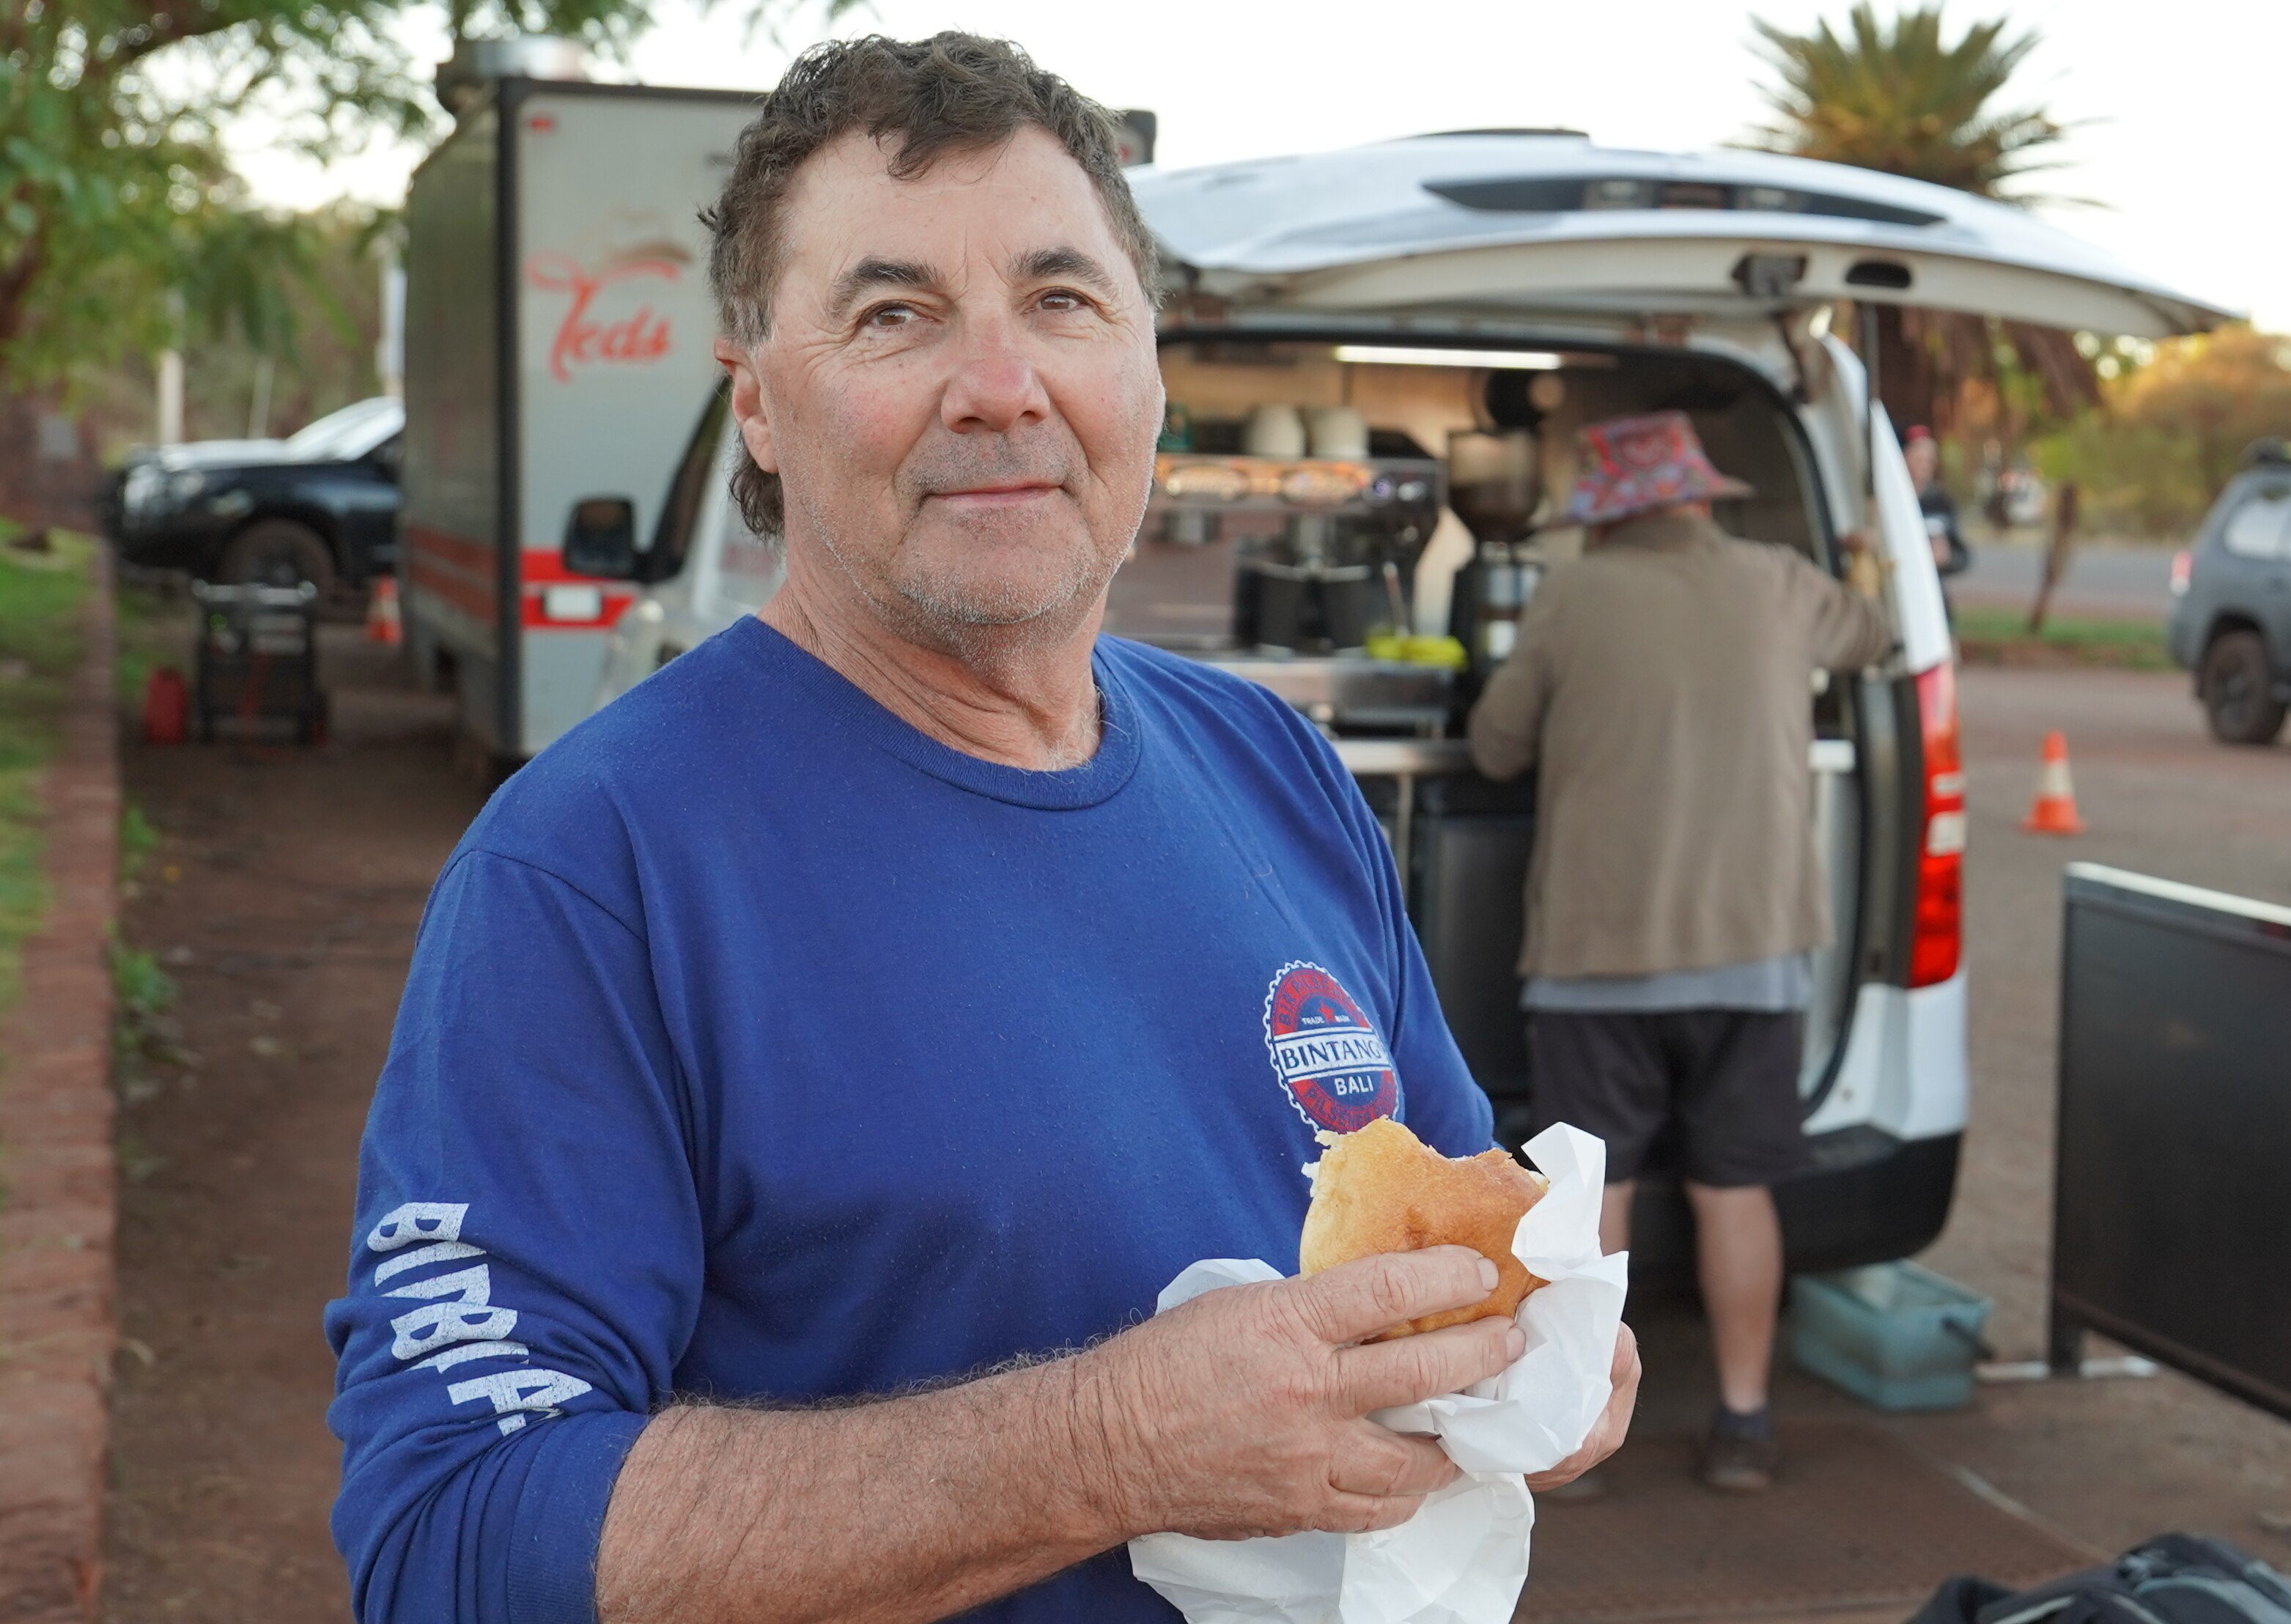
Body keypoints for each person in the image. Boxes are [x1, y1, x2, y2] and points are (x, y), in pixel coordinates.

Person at [322, 34, 1634, 1624]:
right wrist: (1108, 1445)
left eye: (1063, 302)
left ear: (1151, 372)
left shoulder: (1270, 765)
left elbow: (1460, 1213)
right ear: (759, 402)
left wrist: (1545, 1348)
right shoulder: (592, 872)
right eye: (895, 317)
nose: (1001, 388)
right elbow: (452, 1540)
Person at [1467, 412, 1896, 1494]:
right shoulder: (1783, 582)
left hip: (1597, 952)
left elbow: (1494, 744)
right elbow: (1876, 635)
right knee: (1734, 1188)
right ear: (1702, 497)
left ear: (1607, 516)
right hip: (1755, 953)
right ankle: (1745, 1422)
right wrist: (1869, 557)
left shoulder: (1573, 594)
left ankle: (1580, 1432)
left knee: (1596, 1190)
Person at [1903, 426, 1973, 577]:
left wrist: (1947, 557)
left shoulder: (1940, 501)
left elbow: (1961, 554)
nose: (1926, 465)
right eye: (1920, 459)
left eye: (1930, 460)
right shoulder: (1892, 502)